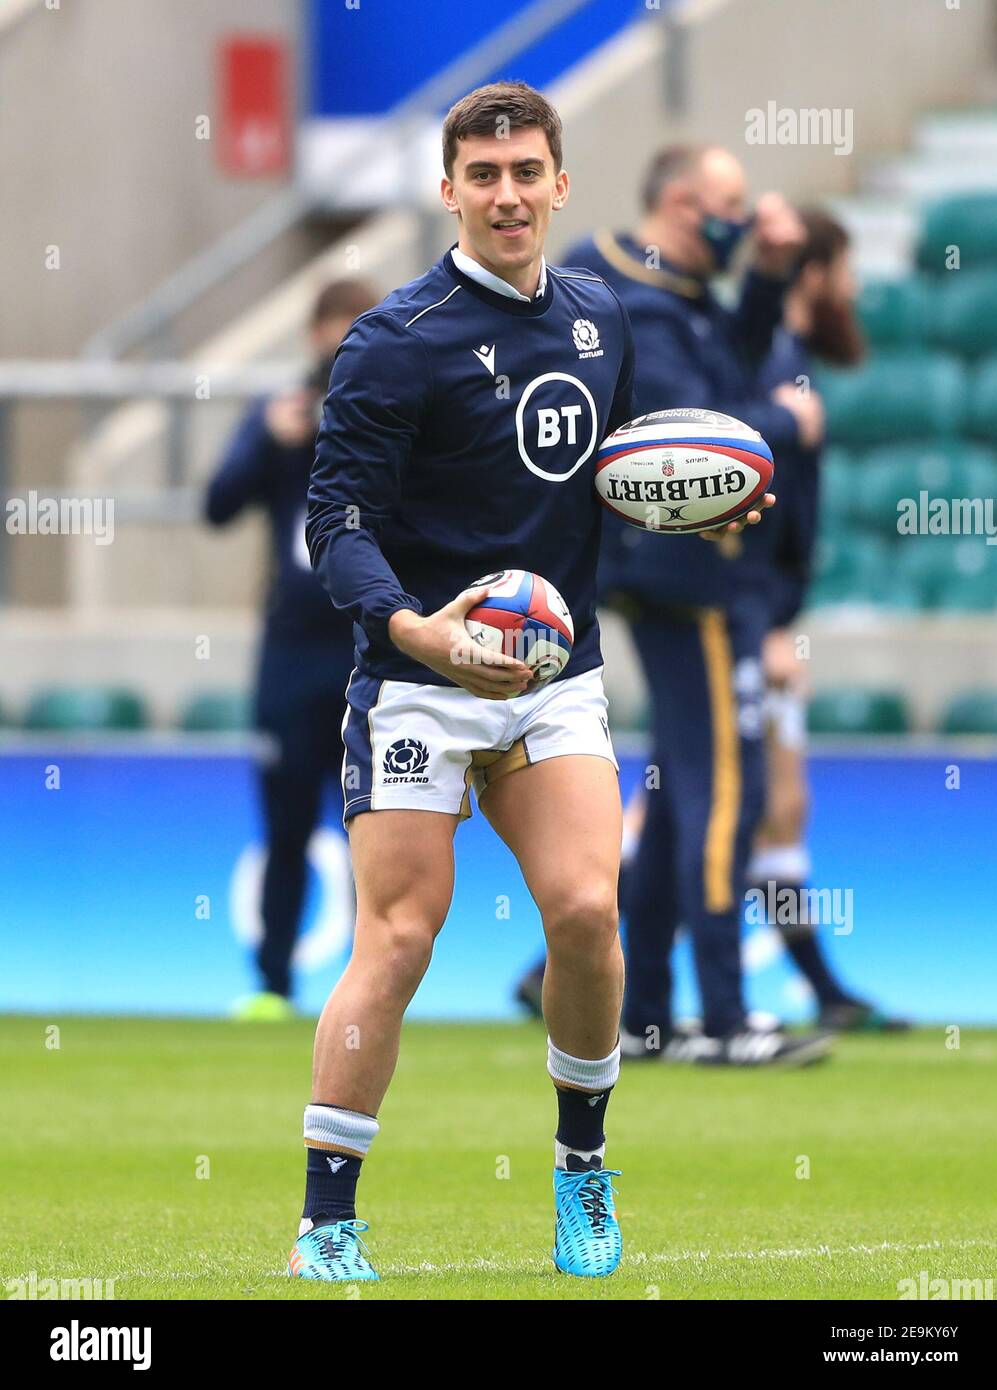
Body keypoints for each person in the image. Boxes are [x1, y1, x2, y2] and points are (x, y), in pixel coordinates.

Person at [287, 86, 771, 1283]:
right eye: (482, 172)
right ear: (448, 189)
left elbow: (626, 469)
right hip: (417, 676)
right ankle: (328, 1220)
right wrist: (419, 629)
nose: (506, 192)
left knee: (588, 912)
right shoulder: (393, 341)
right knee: (399, 937)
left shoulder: (604, 319)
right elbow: (335, 521)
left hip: (553, 679)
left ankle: (582, 1173)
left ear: (560, 185)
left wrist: (713, 499)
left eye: (526, 171)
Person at [563, 145, 829, 1067]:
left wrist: (767, 276)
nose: (743, 218)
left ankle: (643, 1016)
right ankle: (723, 1018)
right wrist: (791, 421)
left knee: (679, 797)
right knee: (727, 789)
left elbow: (731, 359)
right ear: (678, 203)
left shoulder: (677, 286)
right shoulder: (629, 291)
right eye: (728, 205)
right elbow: (686, 439)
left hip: (686, 578)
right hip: (695, 580)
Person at [751, 209, 908, 1032]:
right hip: (752, 624)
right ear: (814, 274)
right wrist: (766, 624)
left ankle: (825, 991)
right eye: (842, 268)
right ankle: (821, 993)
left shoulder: (792, 358)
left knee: (766, 807)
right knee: (751, 804)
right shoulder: (779, 361)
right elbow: (752, 500)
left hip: (763, 619)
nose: (851, 288)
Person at [204, 280, 376, 1019]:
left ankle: (373, 987)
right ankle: (274, 982)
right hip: (290, 655)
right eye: (330, 341)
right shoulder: (280, 418)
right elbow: (215, 505)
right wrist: (272, 442)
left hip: (371, 648)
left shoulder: (387, 419)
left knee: (379, 827)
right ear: (310, 339)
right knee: (285, 827)